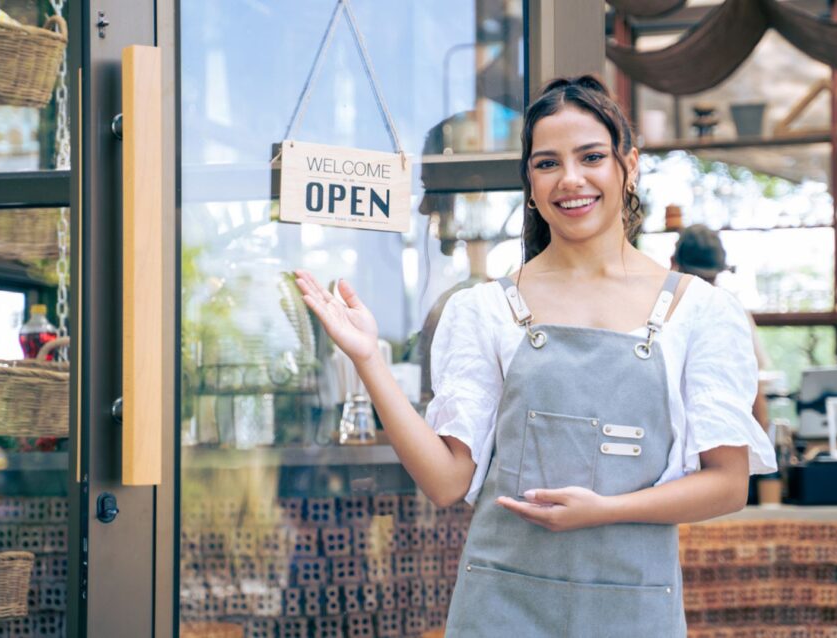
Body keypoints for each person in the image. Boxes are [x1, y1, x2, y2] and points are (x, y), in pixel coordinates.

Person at [295, 75, 776, 637]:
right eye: (548, 163)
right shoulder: (486, 309)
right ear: (530, 184)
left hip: (632, 609)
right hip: (501, 608)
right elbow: (446, 482)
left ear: (629, 166)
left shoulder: (700, 312)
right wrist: (368, 362)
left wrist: (606, 511)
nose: (570, 179)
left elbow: (727, 485)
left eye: (591, 157)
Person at [670, 224, 771, 432]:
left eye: (708, 279)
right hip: (708, 432)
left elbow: (753, 385)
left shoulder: (730, 310)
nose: (703, 287)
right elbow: (754, 388)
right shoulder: (730, 309)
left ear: (674, 263)